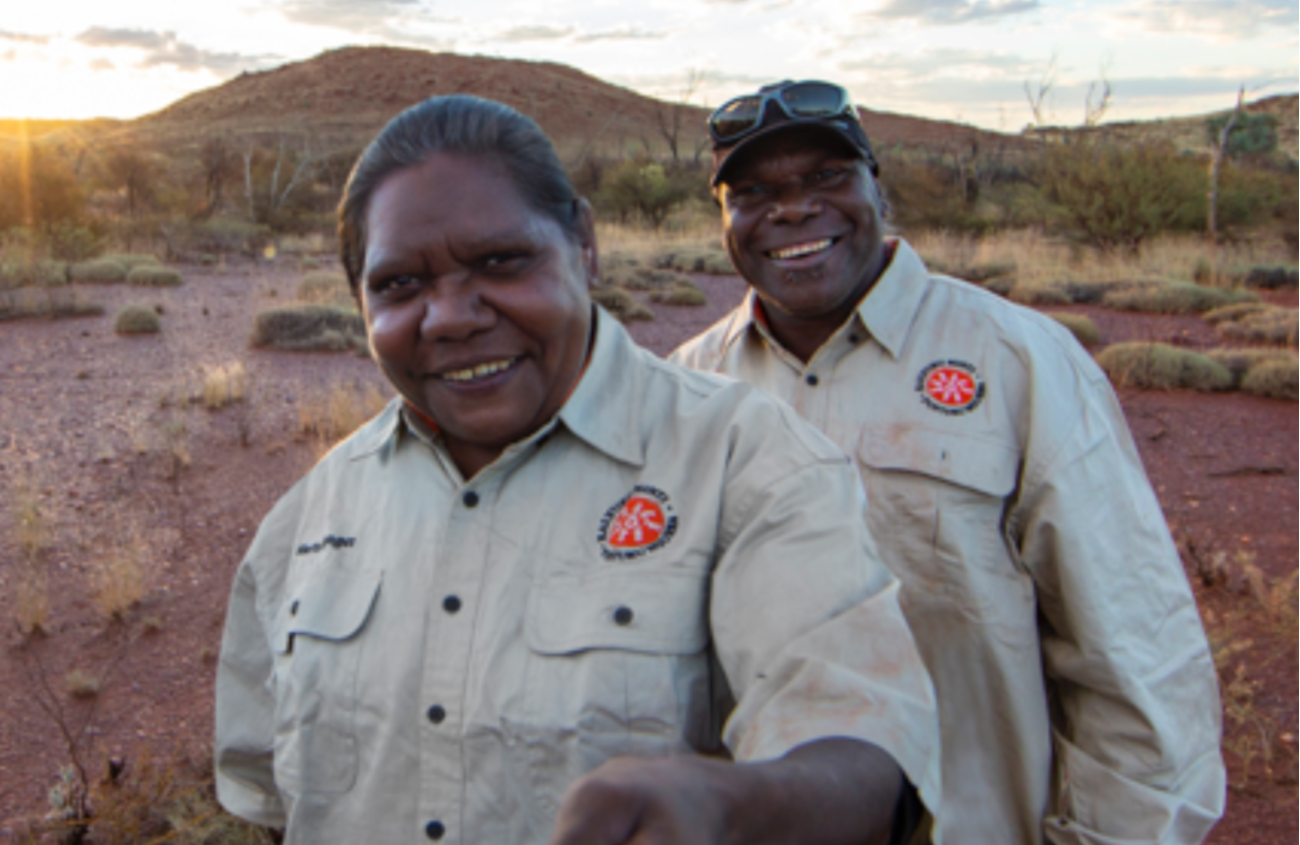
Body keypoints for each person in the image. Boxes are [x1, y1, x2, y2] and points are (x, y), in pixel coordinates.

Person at [214, 94, 942, 845]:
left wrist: (737, 803)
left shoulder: (746, 459)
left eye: (500, 260)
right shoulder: (307, 520)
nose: (452, 315)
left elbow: (863, 752)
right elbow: (276, 807)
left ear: (584, 246)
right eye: (399, 285)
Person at [671, 80, 1226, 844]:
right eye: (754, 190)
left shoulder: (1020, 359)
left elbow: (1135, 654)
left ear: (877, 188)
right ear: (724, 217)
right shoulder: (684, 389)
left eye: (828, 177)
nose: (793, 209)